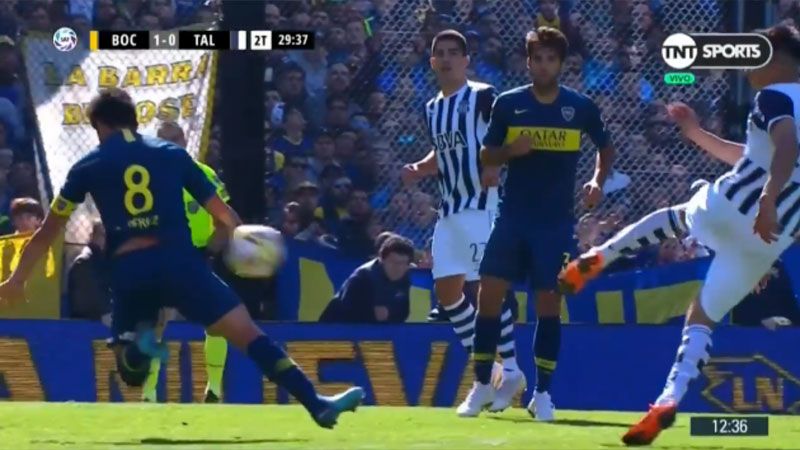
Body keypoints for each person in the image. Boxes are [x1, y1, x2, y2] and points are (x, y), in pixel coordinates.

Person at [0, 88, 362, 428]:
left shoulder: (88, 165)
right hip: (181, 262)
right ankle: (316, 403)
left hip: (130, 269)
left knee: (131, 372)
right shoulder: (172, 155)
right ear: (134, 121)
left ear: (101, 125)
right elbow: (225, 216)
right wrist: (236, 246)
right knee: (250, 336)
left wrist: (17, 279)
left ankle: (139, 346)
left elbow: (47, 232)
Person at [559, 24, 800, 446]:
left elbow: (787, 146)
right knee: (702, 317)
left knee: (677, 217)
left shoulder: (776, 96)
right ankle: (667, 400)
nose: (746, 68)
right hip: (770, 239)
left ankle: (598, 257)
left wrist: (766, 199)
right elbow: (755, 157)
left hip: (736, 207)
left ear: (776, 59)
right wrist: (696, 134)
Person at [463, 26, 615, 420]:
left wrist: (597, 181)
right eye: (537, 58)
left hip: (555, 224)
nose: (543, 65)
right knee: (488, 296)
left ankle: (542, 394)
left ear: (561, 64)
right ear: (528, 63)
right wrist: (509, 151)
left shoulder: (579, 106)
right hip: (512, 217)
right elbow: (487, 156)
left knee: (548, 304)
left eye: (551, 59)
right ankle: (482, 385)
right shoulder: (509, 104)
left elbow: (605, 147)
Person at [401, 29, 524, 415]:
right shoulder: (432, 108)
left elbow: (511, 134)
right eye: (440, 53)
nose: (447, 59)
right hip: (450, 209)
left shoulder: (483, 96)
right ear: (431, 62)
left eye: (454, 52)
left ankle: (503, 372)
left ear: (466, 59)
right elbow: (444, 150)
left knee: (488, 291)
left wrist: (496, 164)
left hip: (482, 206)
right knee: (447, 293)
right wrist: (421, 167)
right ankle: (494, 370)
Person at [138, 121, 229, 404]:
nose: (170, 145)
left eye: (175, 139)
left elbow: (224, 216)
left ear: (185, 141)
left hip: (200, 255)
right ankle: (149, 392)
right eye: (164, 140)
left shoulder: (204, 174)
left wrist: (216, 242)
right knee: (158, 321)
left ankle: (214, 389)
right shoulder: (144, 178)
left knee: (219, 320)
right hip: (163, 254)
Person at [319, 235, 413, 323]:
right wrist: (372, 313)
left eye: (403, 263)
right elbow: (348, 312)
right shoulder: (363, 277)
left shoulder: (404, 277)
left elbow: (403, 311)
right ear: (382, 260)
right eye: (393, 262)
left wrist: (389, 313)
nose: (398, 268)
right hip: (334, 328)